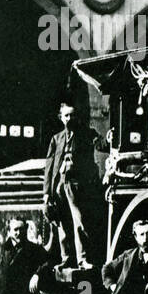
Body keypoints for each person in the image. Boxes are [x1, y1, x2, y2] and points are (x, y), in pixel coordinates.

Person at [43, 99, 108, 269]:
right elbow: (49, 169)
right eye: (66, 116)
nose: (69, 118)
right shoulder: (56, 139)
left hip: (77, 185)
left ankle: (82, 259)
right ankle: (66, 258)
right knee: (62, 225)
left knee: (79, 221)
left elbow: (102, 144)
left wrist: (109, 138)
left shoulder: (87, 133)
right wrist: (46, 194)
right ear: (61, 118)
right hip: (59, 185)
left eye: (72, 115)